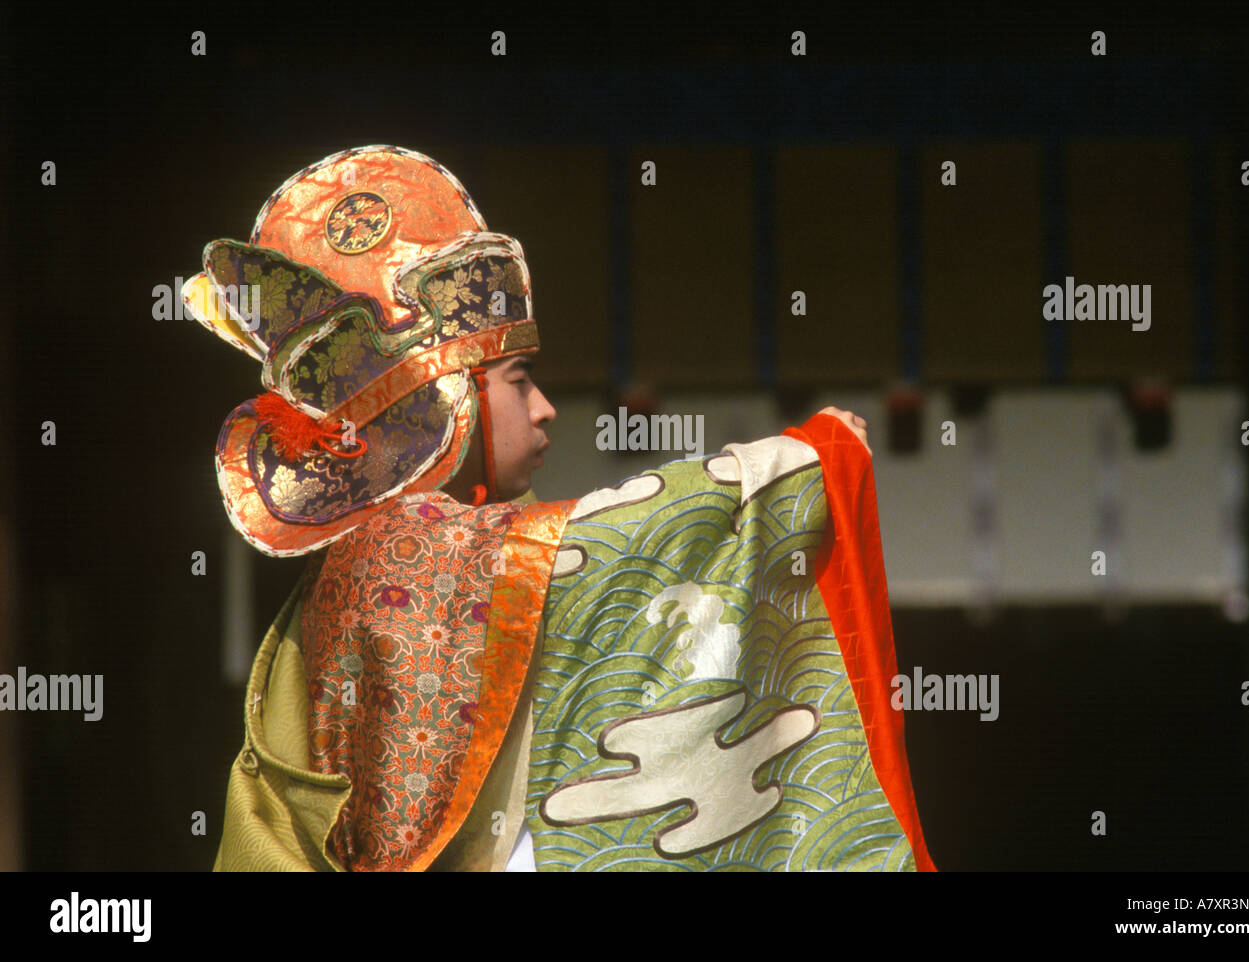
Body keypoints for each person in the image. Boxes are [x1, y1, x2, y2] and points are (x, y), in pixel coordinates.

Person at [188, 145, 934, 872]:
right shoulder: (401, 548)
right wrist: (805, 461)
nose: (544, 410)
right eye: (519, 380)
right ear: (448, 391)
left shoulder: (405, 547)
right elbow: (616, 541)